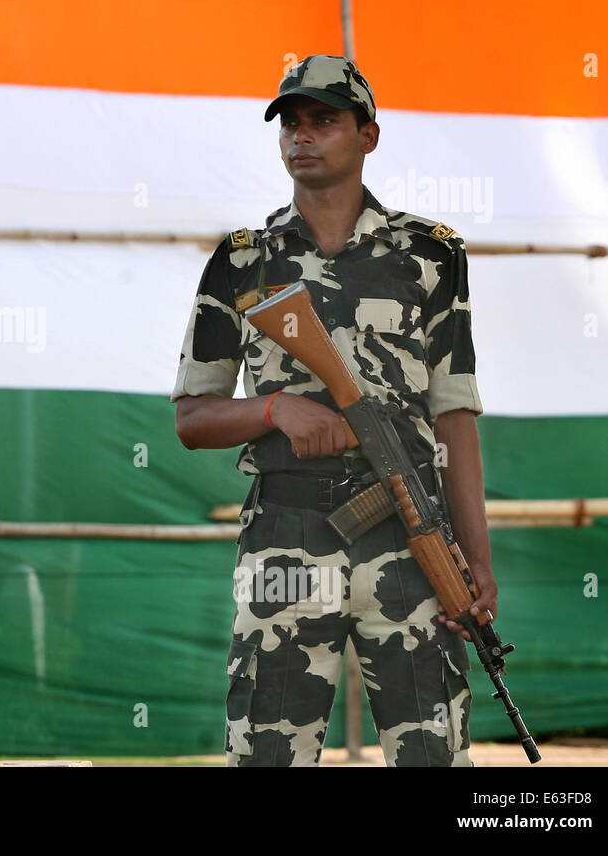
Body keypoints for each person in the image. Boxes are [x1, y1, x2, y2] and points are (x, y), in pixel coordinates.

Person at [170, 55, 495, 767]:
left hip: (411, 532)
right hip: (287, 531)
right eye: (291, 122)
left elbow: (454, 416)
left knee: (433, 753)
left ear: (368, 135)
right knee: (268, 753)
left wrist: (475, 555)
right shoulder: (243, 262)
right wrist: (275, 408)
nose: (303, 135)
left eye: (324, 120)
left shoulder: (431, 256)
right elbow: (192, 417)